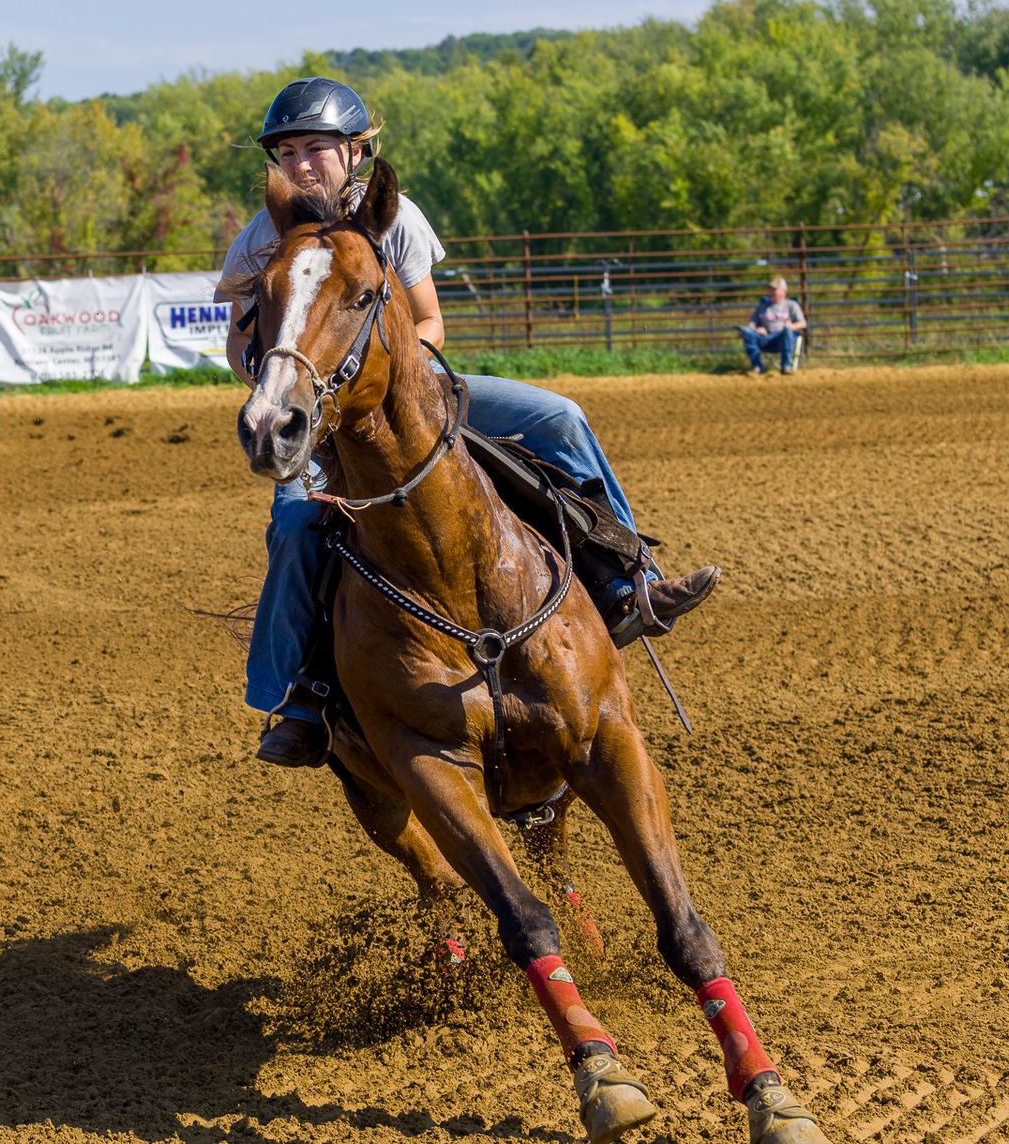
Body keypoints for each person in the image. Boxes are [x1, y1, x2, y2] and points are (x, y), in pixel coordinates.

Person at [221, 77, 721, 768]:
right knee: (298, 523)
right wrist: (284, 389)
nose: (301, 163)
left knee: (561, 417)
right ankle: (295, 695)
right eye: (287, 152)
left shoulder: (396, 217)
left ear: (357, 151)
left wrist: (401, 378)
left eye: (316, 147)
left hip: (415, 394)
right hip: (318, 411)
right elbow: (237, 343)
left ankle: (628, 581)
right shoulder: (260, 238)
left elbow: (429, 320)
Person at [739, 277, 807, 375]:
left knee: (787, 331)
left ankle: (786, 366)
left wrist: (790, 327)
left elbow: (803, 323)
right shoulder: (762, 306)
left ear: (783, 291)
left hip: (783, 339)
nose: (771, 292)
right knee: (746, 331)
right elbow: (751, 324)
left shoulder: (791, 305)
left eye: (774, 290)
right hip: (765, 339)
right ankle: (757, 366)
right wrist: (756, 329)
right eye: (769, 289)